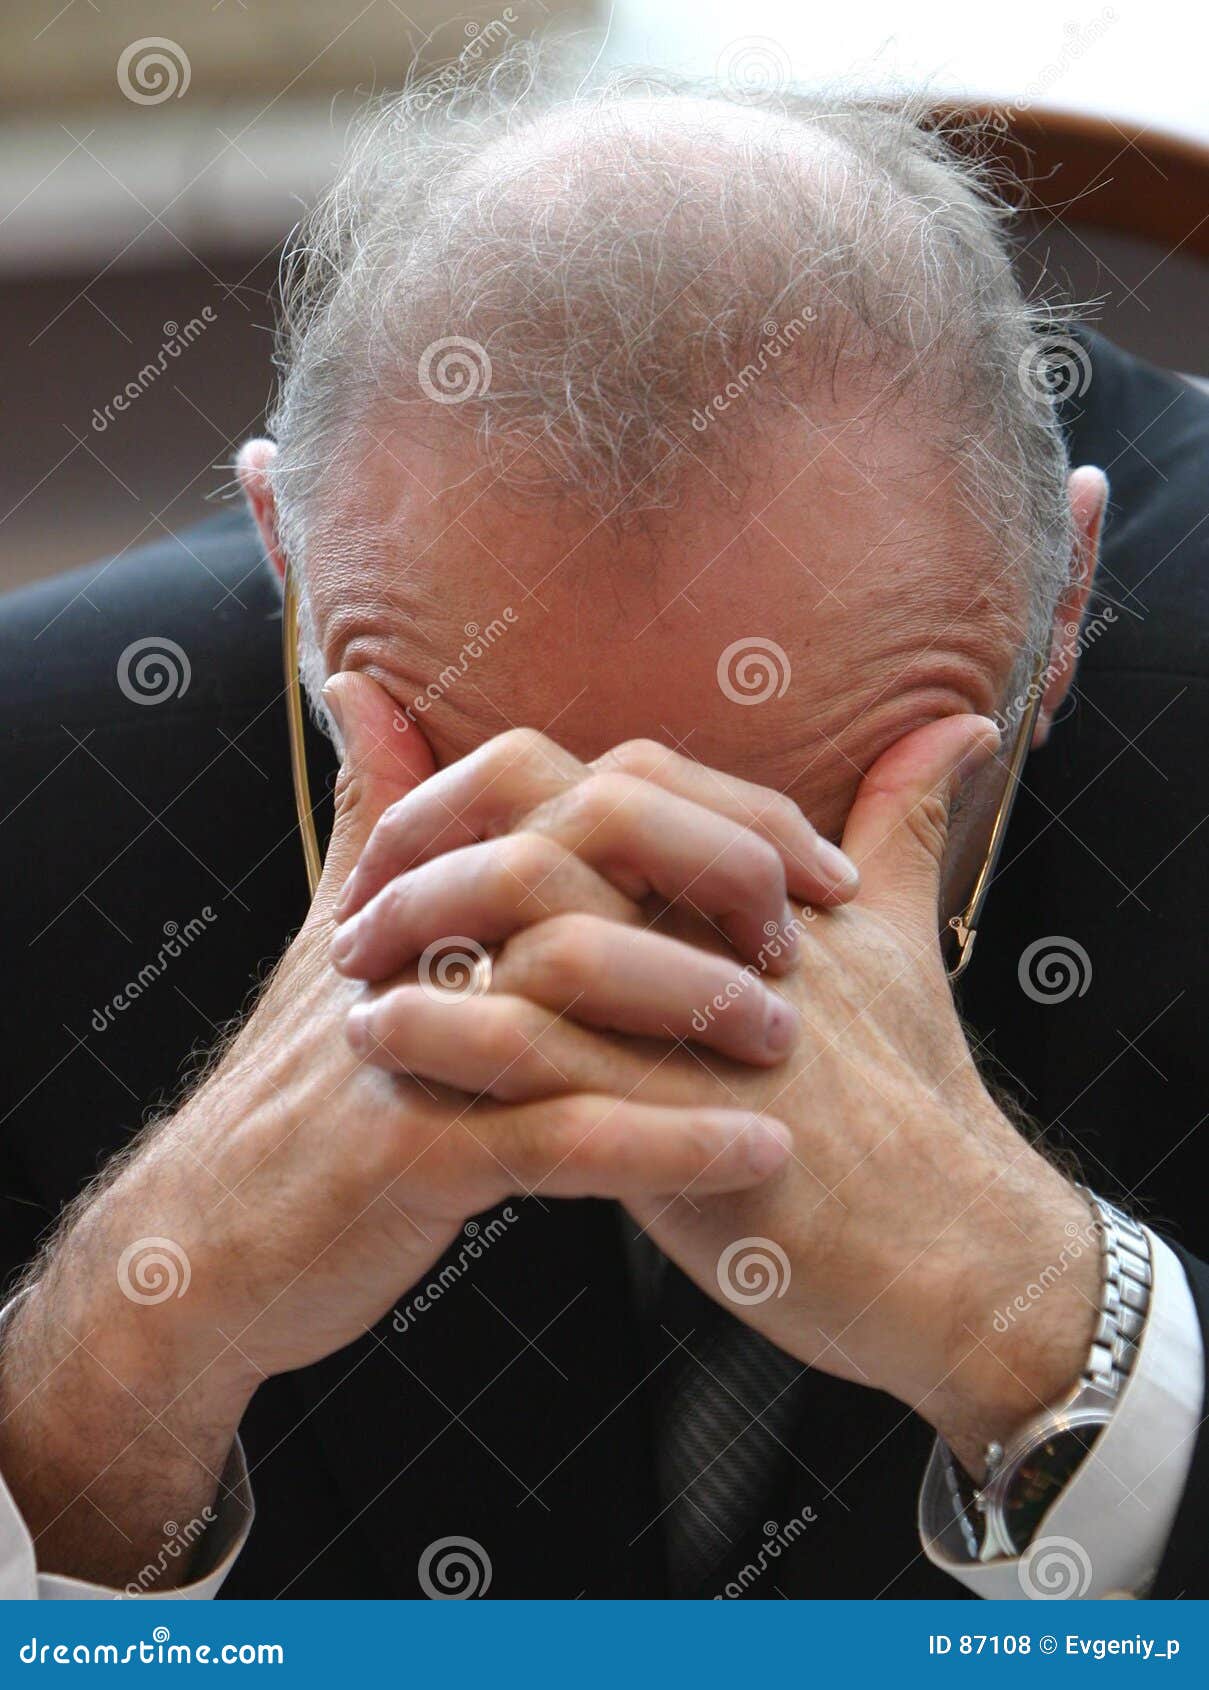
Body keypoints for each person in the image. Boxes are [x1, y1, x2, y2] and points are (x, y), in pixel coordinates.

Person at [0, 47, 1205, 1601]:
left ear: (1058, 610)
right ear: (289, 566)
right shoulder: (40, 797)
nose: (643, 955)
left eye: (808, 819)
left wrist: (1044, 1332)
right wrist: (116, 1357)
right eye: (504, 803)